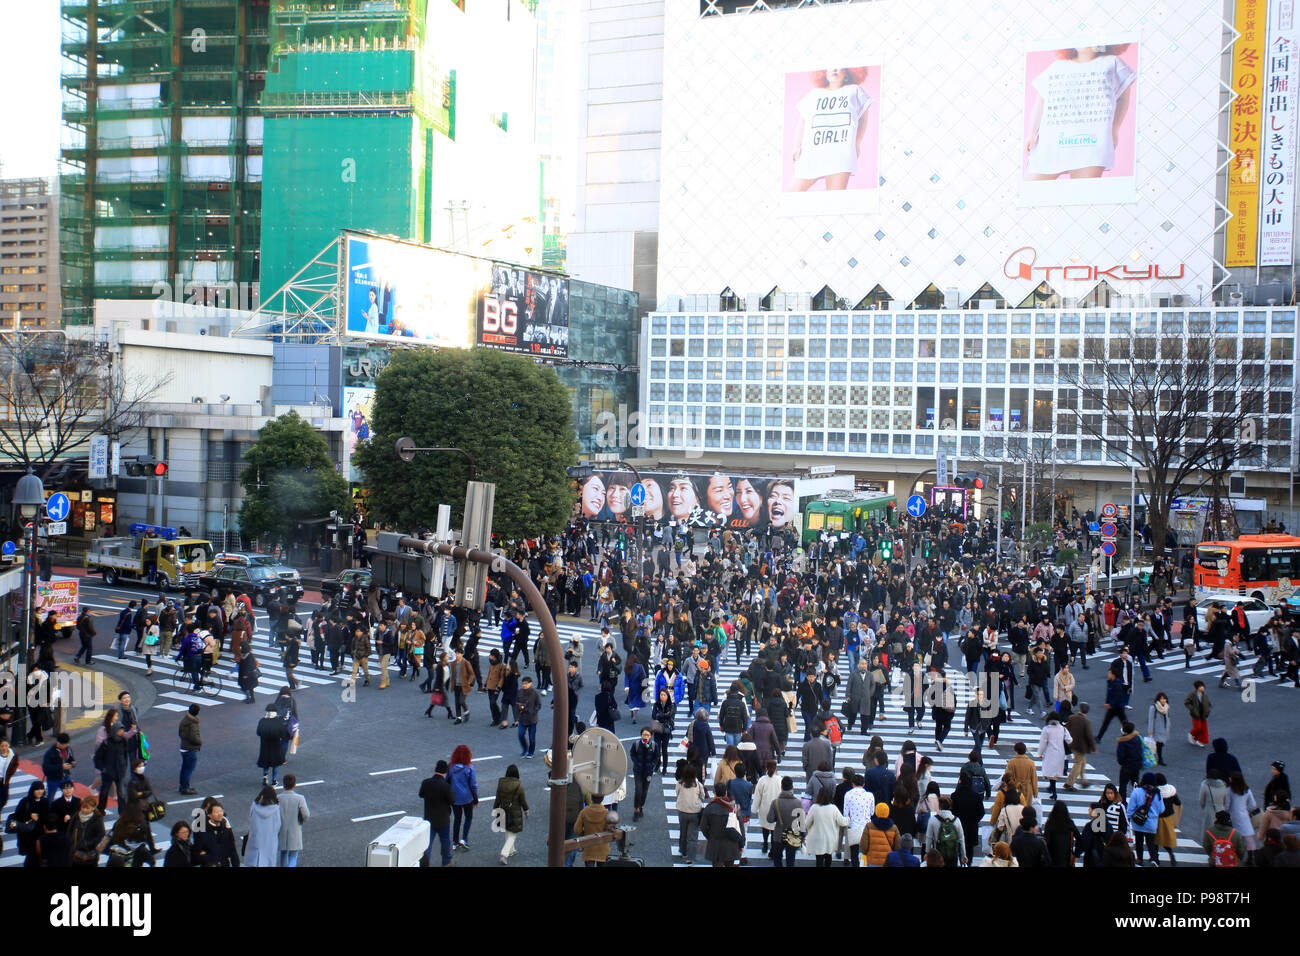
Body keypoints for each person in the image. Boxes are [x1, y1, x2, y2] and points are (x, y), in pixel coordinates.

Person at [419, 760, 455, 868]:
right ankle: (446, 862)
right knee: (445, 841)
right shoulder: (445, 786)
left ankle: (425, 863)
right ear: (445, 772)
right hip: (443, 819)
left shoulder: (426, 782)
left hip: (429, 819)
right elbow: (452, 800)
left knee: (427, 844)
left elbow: (421, 794)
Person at [802, 786, 850, 866]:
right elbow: (842, 822)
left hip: (818, 838)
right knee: (828, 858)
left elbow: (806, 823)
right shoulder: (833, 808)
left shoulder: (814, 808)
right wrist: (848, 818)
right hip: (830, 838)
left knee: (819, 860)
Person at [1126, 772, 1165, 866]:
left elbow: (1130, 809)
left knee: (1139, 841)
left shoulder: (1136, 791)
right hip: (1152, 823)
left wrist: (1129, 818)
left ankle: (1139, 859)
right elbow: (1161, 809)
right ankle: (1154, 859)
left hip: (1138, 822)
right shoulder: (1157, 793)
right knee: (1151, 842)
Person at [766, 775, 805, 867]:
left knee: (777, 858)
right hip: (793, 834)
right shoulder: (798, 803)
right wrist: (803, 835)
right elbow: (802, 823)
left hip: (779, 834)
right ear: (792, 787)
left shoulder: (775, 802)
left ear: (781, 787)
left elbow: (770, 819)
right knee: (790, 860)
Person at [7, 781, 49, 867]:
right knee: (29, 858)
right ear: (32, 790)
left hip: (39, 835)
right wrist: (29, 815)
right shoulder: (25, 801)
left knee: (38, 857)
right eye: (37, 789)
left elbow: (47, 818)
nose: (40, 791)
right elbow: (18, 816)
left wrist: (38, 818)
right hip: (26, 835)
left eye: (41, 789)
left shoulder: (45, 801)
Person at [494, 764, 529, 864]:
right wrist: (526, 810)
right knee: (513, 834)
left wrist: (495, 808)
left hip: (503, 810)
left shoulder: (501, 784)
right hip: (515, 812)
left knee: (508, 829)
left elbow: (498, 798)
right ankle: (504, 854)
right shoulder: (519, 786)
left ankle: (511, 850)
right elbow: (523, 801)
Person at [675, 762, 707, 866]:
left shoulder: (680, 783)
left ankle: (683, 851)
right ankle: (690, 858)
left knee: (683, 832)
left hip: (682, 811)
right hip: (694, 812)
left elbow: (677, 793)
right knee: (692, 836)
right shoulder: (698, 784)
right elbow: (702, 796)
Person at [193, 798, 240, 867]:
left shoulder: (225, 827)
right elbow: (197, 850)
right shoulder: (201, 828)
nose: (220, 814)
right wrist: (207, 858)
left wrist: (235, 863)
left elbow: (231, 846)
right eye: (216, 812)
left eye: (220, 811)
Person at [1036, 712, 1072, 801]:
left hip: (1050, 753)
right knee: (1054, 774)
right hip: (1060, 753)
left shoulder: (1047, 729)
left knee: (1051, 773)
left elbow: (1043, 742)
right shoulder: (1063, 729)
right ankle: (1053, 790)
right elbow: (1070, 740)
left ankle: (1054, 792)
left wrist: (1040, 753)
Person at [1225, 771, 1260, 865]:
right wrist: (1245, 810)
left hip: (1233, 816)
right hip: (1244, 816)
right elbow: (1253, 805)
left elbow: (1227, 806)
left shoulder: (1230, 790)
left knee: (1234, 837)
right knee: (1248, 837)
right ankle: (1251, 857)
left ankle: (1235, 857)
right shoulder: (1247, 790)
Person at [449, 744, 478, 851]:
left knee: (457, 818)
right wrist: (476, 798)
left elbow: (446, 781)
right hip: (467, 798)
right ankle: (464, 839)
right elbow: (473, 785)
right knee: (468, 817)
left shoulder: (451, 767)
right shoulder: (469, 768)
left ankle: (454, 842)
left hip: (454, 797)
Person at [277, 773, 310, 867]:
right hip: (295, 830)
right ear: (294, 785)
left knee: (283, 853)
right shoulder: (300, 798)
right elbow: (306, 815)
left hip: (281, 830)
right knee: (293, 855)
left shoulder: (278, 798)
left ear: (283, 785)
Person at [245, 784, 281, 867]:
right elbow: (278, 826)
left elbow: (250, 819)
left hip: (255, 839)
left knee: (254, 861)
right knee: (268, 862)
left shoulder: (254, 806)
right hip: (270, 840)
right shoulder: (276, 809)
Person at [573, 794, 613, 867]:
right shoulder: (606, 813)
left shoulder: (584, 812)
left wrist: (584, 834)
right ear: (602, 799)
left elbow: (577, 829)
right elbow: (610, 829)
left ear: (591, 798)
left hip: (588, 846)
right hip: (602, 847)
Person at [256, 704, 290, 785]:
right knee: (275, 764)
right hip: (275, 746)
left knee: (265, 763)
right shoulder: (278, 722)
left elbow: (258, 733)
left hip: (265, 745)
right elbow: (283, 734)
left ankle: (265, 776)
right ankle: (274, 780)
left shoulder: (262, 721)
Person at [629, 728, 658, 822]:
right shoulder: (636, 744)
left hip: (648, 772)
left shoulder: (653, 745)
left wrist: (652, 765)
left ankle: (641, 806)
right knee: (638, 790)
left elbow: (656, 756)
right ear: (641, 735)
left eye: (648, 735)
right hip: (638, 771)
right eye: (644, 735)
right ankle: (636, 810)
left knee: (644, 791)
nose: (645, 737)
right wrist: (636, 762)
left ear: (651, 736)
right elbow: (632, 754)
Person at [1042, 799, 1081, 867]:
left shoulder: (1050, 823)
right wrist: (1076, 854)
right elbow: (1079, 838)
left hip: (1052, 857)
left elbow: (1046, 841)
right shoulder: (1069, 823)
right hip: (1066, 857)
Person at [70, 798, 107, 868]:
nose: (84, 810)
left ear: (93, 808)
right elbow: (70, 830)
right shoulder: (76, 816)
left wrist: (89, 844)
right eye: (83, 807)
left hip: (90, 852)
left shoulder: (97, 819)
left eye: (87, 808)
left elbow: (101, 835)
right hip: (76, 850)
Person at [1115, 720, 1143, 799]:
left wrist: (1122, 762)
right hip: (1136, 764)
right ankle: (1138, 798)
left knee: (1123, 784)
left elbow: (1121, 755)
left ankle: (1122, 801)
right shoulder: (1137, 738)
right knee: (1135, 782)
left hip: (1127, 766)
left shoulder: (1123, 741)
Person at [516, 675, 542, 758]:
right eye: (523, 684)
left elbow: (539, 704)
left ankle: (531, 752)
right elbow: (516, 702)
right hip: (522, 718)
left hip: (532, 719)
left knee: (532, 738)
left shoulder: (535, 693)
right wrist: (519, 707)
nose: (524, 685)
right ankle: (524, 749)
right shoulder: (519, 692)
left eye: (526, 684)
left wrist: (533, 711)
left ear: (530, 684)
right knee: (520, 735)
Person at [178, 703, 201, 795]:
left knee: (184, 769)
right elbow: (194, 738)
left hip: (184, 747)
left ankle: (183, 786)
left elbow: (180, 734)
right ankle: (185, 788)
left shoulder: (185, 720)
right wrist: (200, 742)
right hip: (190, 749)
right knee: (188, 769)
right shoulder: (192, 724)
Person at [1183, 680, 1211, 747]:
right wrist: (1192, 709)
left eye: (1203, 686)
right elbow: (1186, 702)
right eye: (1201, 686)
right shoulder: (1192, 695)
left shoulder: (1204, 695)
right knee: (1198, 727)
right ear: (1197, 687)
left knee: (1204, 728)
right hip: (1196, 713)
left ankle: (1199, 741)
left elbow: (1208, 703)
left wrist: (1208, 709)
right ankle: (1191, 734)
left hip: (1203, 713)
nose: (1203, 688)